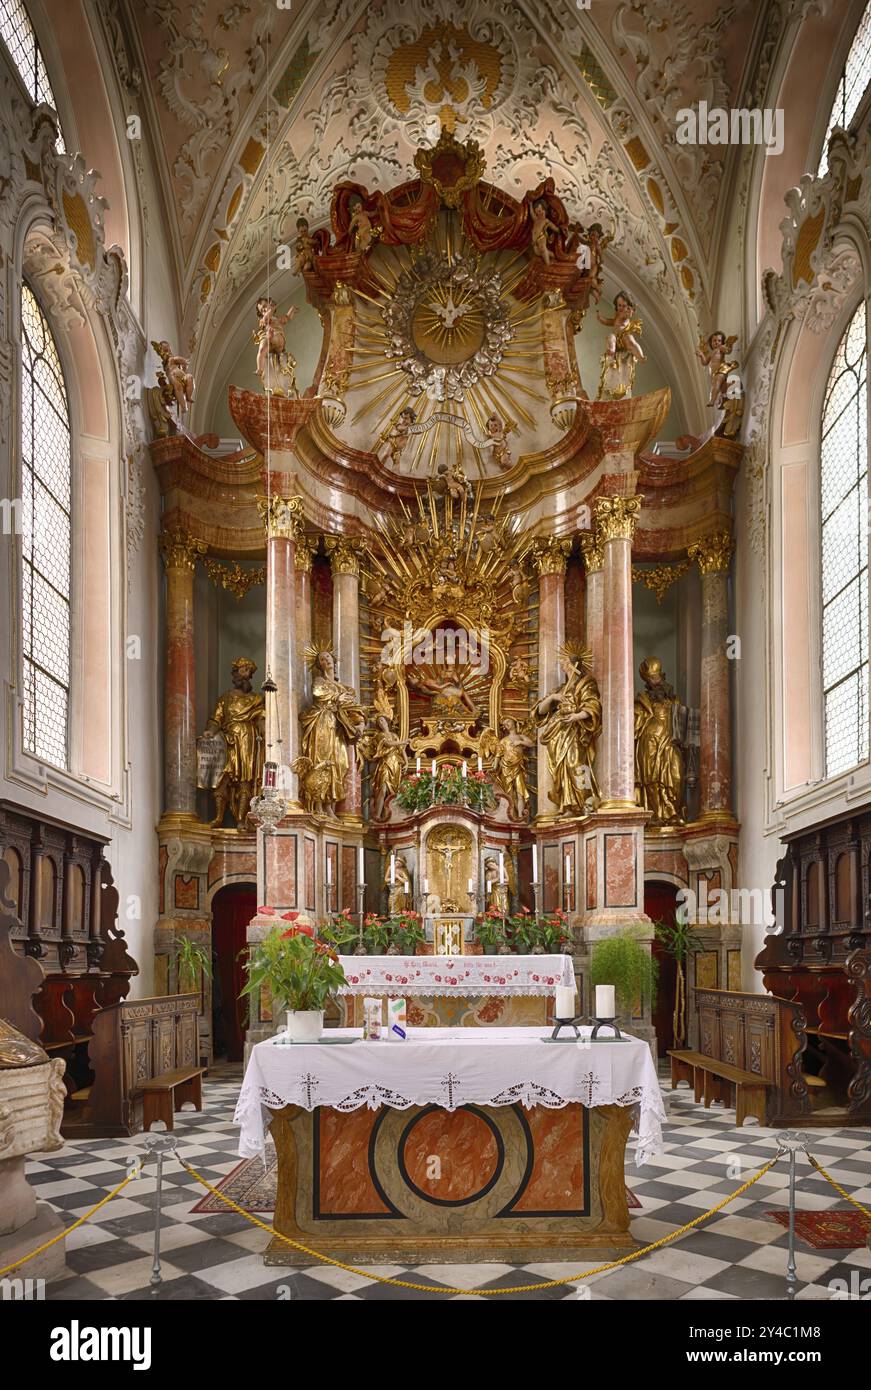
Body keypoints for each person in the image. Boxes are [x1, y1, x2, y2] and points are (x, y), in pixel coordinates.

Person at [536, 644, 602, 814]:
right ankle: (568, 805)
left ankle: (585, 802)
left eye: (565, 661)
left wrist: (577, 716)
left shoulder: (585, 683)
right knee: (561, 768)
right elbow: (540, 711)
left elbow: (593, 705)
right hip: (558, 733)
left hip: (575, 731)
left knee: (577, 765)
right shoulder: (560, 689)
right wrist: (552, 697)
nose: (563, 665)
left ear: (575, 664)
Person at [202, 658, 265, 828]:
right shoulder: (225, 698)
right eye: (238, 671)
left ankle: (241, 819)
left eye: (244, 671)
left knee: (246, 779)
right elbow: (216, 719)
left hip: (247, 739)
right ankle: (218, 818)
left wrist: (264, 730)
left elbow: (261, 719)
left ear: (249, 675)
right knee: (221, 778)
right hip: (227, 740)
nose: (239, 675)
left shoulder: (256, 699)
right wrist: (211, 731)